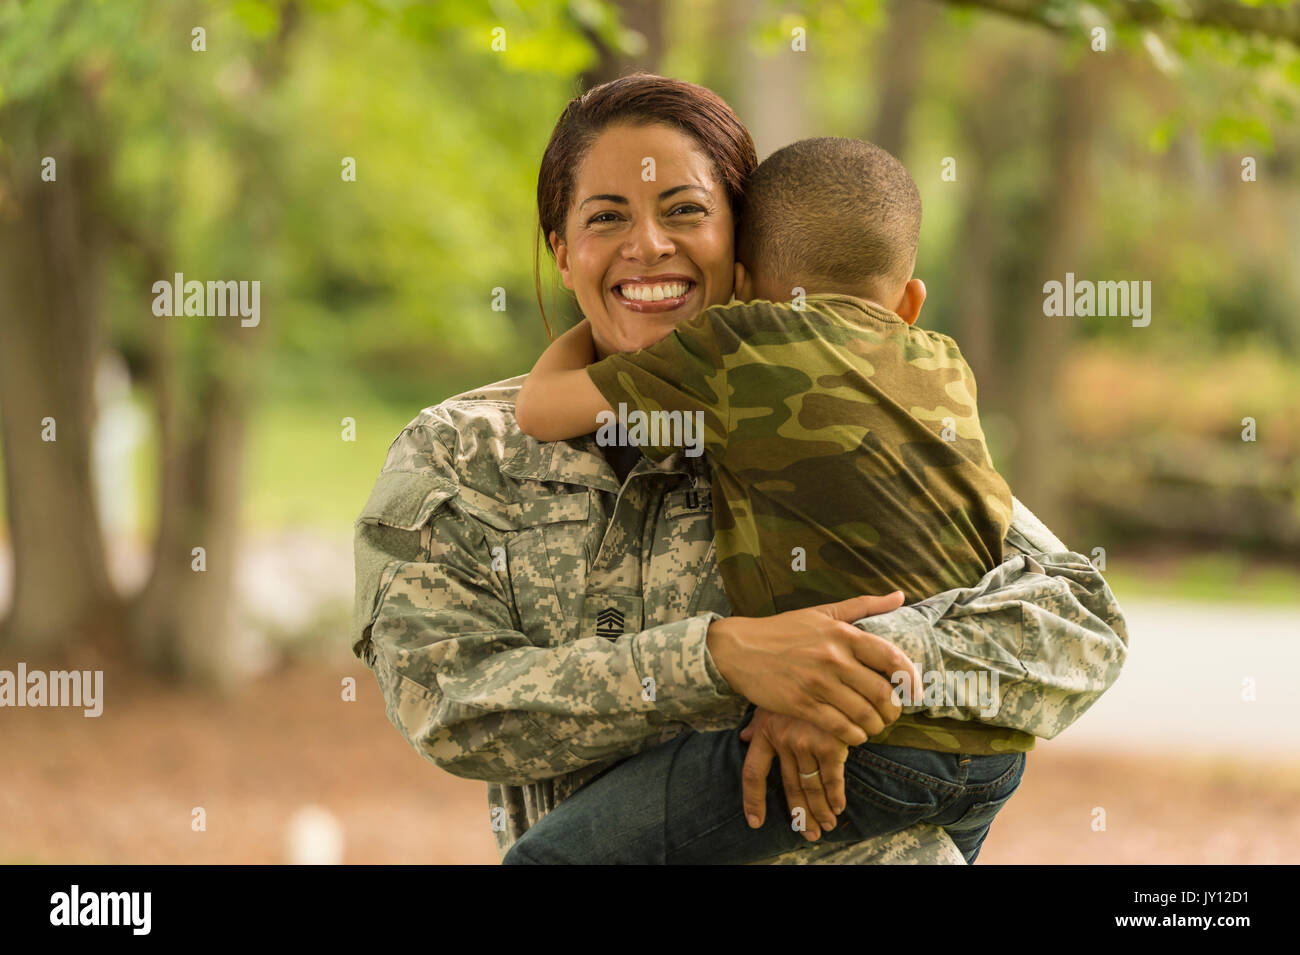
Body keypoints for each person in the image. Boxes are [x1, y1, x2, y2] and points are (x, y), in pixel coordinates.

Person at [351, 73, 1129, 865]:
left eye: (685, 210)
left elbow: (1079, 625)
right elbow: (448, 701)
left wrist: (848, 675)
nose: (648, 244)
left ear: (744, 240)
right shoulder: (459, 452)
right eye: (606, 217)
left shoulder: (824, 409)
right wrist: (721, 659)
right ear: (562, 250)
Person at [510, 137, 1025, 863]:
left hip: (875, 743)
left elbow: (539, 409)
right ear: (910, 301)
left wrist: (599, 319)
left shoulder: (735, 344)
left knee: (547, 858)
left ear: (743, 282)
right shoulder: (943, 363)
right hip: (992, 744)